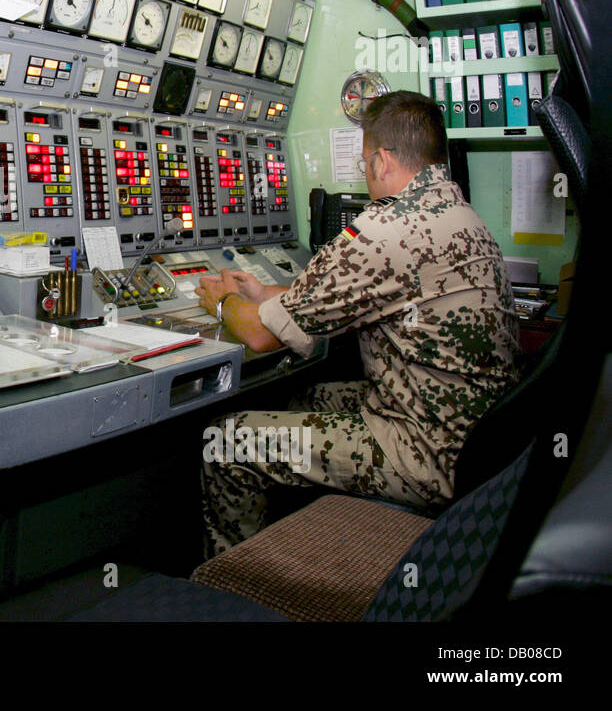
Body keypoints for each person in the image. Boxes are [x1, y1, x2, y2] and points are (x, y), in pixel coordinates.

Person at [193, 90, 520, 558]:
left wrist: (222, 301)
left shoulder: (385, 228)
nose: (365, 173)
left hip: (425, 453)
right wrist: (264, 294)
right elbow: (349, 292)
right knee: (302, 399)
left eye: (365, 162)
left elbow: (261, 335)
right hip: (475, 440)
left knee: (226, 440)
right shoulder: (460, 216)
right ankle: (298, 549)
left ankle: (233, 590)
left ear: (383, 161)